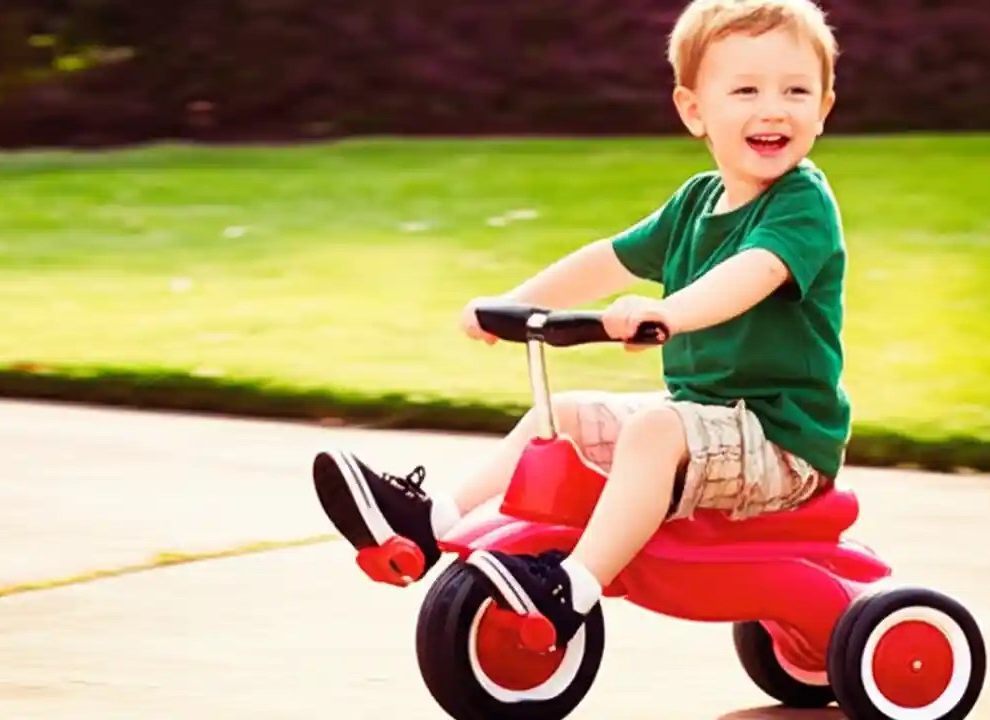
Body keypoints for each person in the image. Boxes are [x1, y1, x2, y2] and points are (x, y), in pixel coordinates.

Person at [311, 0, 849, 649]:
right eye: (746, 91)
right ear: (694, 111)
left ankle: (574, 588)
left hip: (783, 443)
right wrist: (513, 302)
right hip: (707, 419)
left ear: (823, 107)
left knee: (653, 429)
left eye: (796, 91)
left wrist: (669, 312)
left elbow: (753, 273)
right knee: (561, 415)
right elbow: (608, 260)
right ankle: (432, 526)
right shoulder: (695, 202)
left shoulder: (802, 204)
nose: (774, 109)